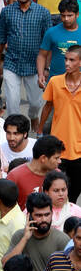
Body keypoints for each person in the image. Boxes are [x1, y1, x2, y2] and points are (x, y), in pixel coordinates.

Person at [38, 45, 81, 205]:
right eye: (66, 59)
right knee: (55, 193)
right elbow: (48, 106)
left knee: (74, 194)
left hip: (79, 150)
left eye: (72, 60)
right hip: (58, 149)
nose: (67, 63)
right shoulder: (55, 82)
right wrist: (40, 129)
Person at [5, 191, 70, 271]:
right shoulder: (20, 236)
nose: (44, 219)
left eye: (47, 214)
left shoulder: (62, 240)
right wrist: (25, 239)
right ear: (29, 216)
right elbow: (6, 264)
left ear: (52, 213)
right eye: (39, 215)